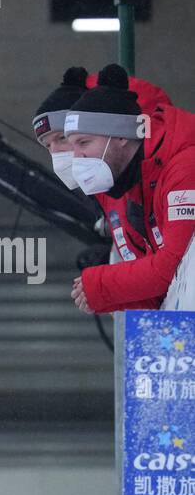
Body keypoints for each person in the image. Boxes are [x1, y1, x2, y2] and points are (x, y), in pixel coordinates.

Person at [66, 64, 195, 312]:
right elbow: (166, 291)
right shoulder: (135, 185)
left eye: (84, 142)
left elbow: (172, 267)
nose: (77, 156)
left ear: (121, 136)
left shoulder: (184, 167)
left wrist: (101, 285)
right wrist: (107, 296)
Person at [33, 66, 172, 274]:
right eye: (48, 146)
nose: (57, 153)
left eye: (63, 138)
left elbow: (166, 264)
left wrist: (103, 284)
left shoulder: (139, 181)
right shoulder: (106, 188)